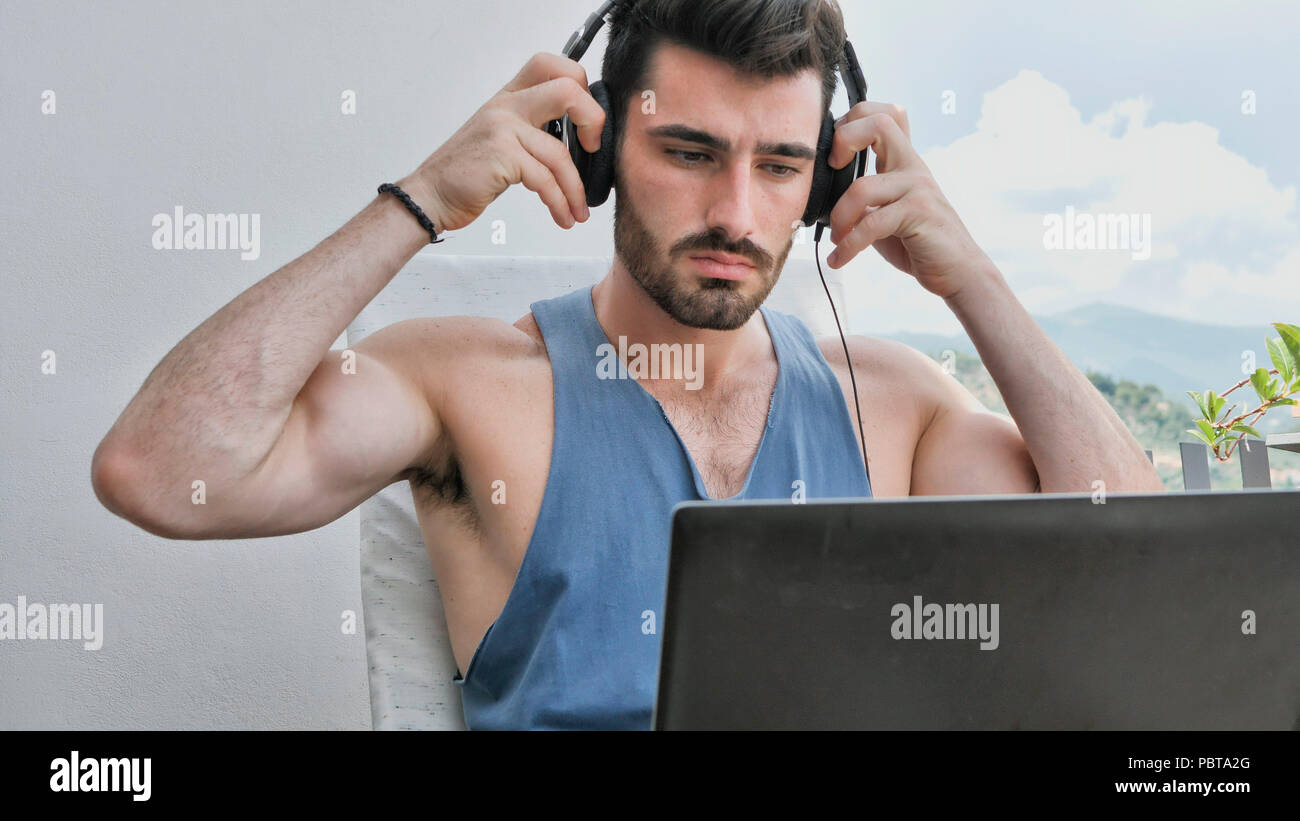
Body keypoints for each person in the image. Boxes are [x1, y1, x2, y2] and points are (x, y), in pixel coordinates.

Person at [90, 0, 1163, 729]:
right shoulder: (466, 380)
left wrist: (969, 276)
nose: (735, 214)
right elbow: (159, 467)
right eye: (689, 152)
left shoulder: (893, 405)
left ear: (826, 187)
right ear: (597, 148)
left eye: (780, 165)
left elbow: (1137, 575)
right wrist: (420, 199)